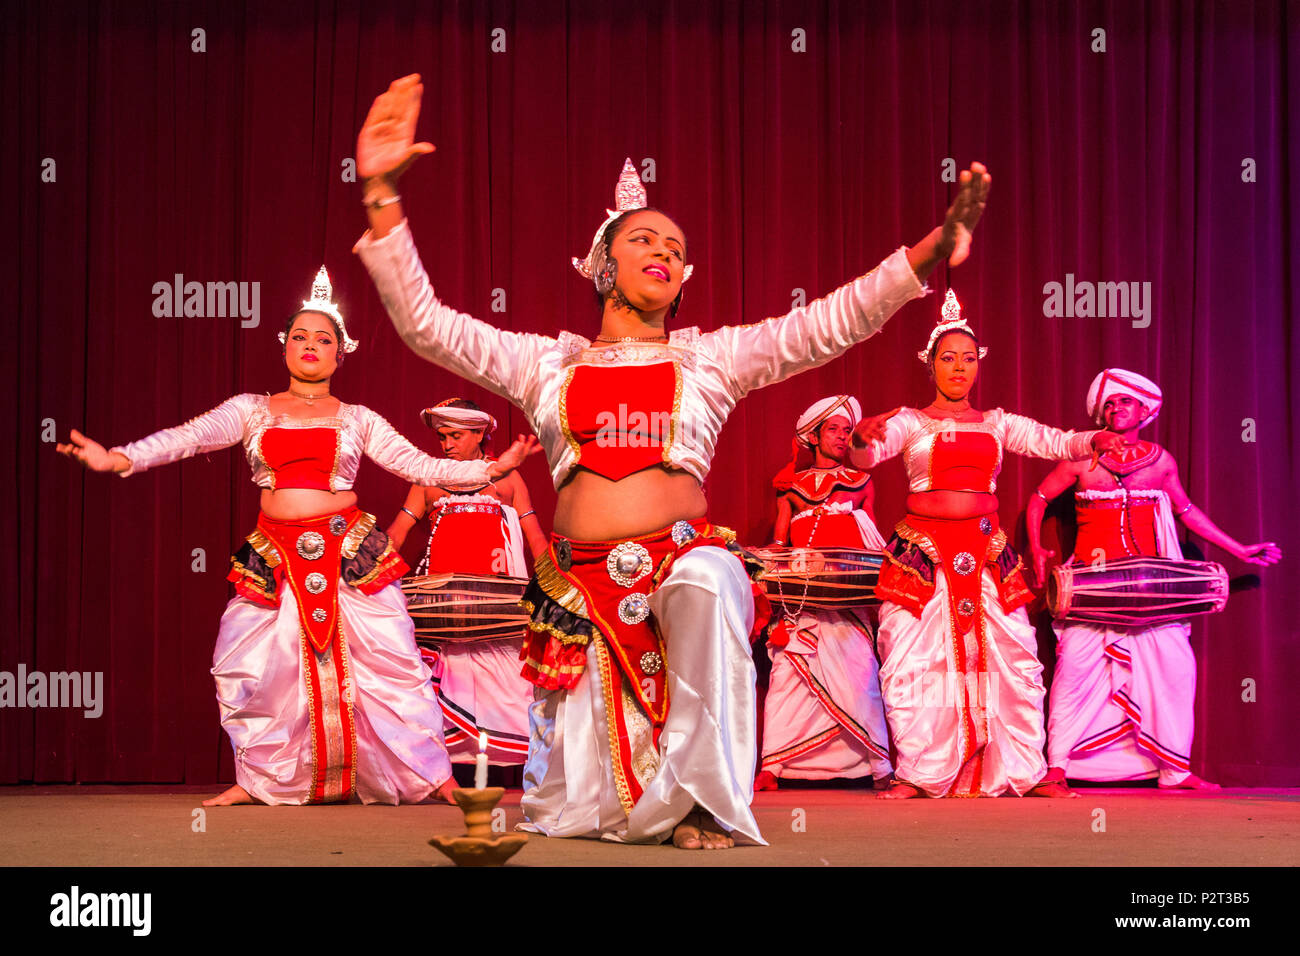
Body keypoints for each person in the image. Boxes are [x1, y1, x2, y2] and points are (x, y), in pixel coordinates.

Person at [351, 74, 990, 847]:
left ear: (684, 282)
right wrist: (381, 193)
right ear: (601, 264)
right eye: (644, 239)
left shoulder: (712, 361)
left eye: (677, 248)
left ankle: (697, 803)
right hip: (582, 584)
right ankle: (648, 798)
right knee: (582, 811)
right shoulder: (543, 365)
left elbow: (831, 322)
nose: (663, 251)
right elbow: (425, 324)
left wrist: (924, 258)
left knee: (709, 581)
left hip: (679, 564)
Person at [56, 266, 538, 806]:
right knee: (258, 668)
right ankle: (258, 780)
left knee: (392, 663)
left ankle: (436, 779)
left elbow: (419, 464)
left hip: (348, 550)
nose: (312, 346)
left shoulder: (358, 419)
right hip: (276, 552)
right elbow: (187, 439)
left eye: (324, 338)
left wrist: (490, 472)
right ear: (284, 346)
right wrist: (118, 458)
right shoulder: (250, 410)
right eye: (302, 336)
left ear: (341, 353)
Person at [849, 289, 1126, 799]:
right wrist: (863, 441)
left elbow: (1055, 440)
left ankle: (1025, 768)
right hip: (924, 555)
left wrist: (1093, 440)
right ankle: (918, 772)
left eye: (968, 358)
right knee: (916, 662)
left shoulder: (998, 423)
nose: (959, 367)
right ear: (929, 365)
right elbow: (868, 458)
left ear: (980, 366)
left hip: (986, 554)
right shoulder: (909, 421)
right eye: (948, 358)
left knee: (1014, 658)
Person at [1027, 368, 1281, 789]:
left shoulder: (1160, 460)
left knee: (1176, 669)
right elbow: (1038, 498)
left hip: (1151, 587)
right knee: (1074, 670)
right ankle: (1058, 766)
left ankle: (1174, 771)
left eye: (1124, 401)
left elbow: (1185, 511)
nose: (1115, 408)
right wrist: (1036, 547)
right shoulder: (1079, 457)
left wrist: (1239, 549)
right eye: (1108, 403)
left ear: (1144, 410)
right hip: (1093, 585)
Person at [386, 398, 547, 765]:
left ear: (479, 434)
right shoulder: (430, 478)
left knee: (507, 683)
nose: (446, 445)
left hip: (498, 607)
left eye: (455, 436)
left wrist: (552, 582)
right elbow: (399, 530)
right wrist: (368, 559)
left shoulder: (506, 479)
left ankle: (519, 765)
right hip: (442, 609)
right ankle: (441, 768)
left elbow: (534, 535)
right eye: (442, 437)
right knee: (441, 676)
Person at [755, 395, 894, 791]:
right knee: (787, 676)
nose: (841, 436)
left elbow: (873, 544)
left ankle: (877, 763)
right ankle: (775, 766)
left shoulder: (861, 482)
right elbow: (779, 542)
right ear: (814, 436)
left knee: (858, 675)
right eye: (832, 429)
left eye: (847, 430)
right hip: (802, 603)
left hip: (846, 602)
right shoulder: (791, 487)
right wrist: (763, 561)